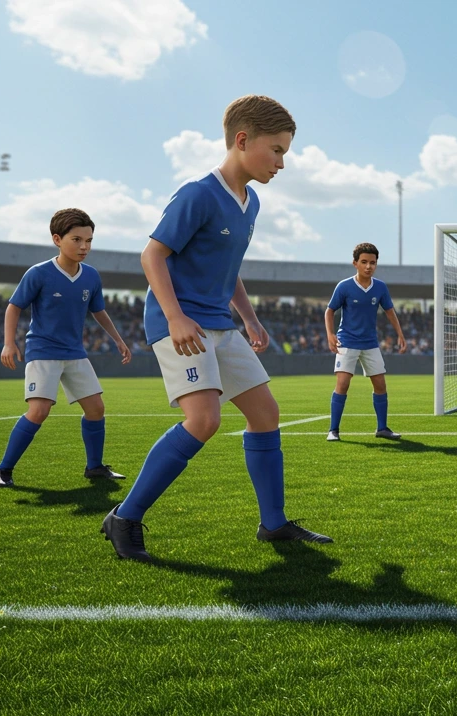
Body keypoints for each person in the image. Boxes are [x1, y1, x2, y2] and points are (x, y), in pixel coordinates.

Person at [102, 95, 332, 563]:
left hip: (220, 323)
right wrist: (175, 317)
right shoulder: (198, 194)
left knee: (266, 414)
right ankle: (124, 517)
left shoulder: (251, 202)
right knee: (204, 420)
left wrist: (248, 317)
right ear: (242, 140)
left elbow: (229, 268)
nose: (282, 163)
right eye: (277, 150)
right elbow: (152, 255)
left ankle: (273, 524)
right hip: (181, 323)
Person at [0, 208, 131, 488]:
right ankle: (3, 470)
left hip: (75, 352)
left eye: (89, 240)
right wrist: (9, 343)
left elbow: (99, 311)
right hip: (43, 351)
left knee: (96, 409)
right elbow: (14, 307)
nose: (84, 247)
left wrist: (118, 339)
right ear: (57, 239)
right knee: (39, 411)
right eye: (76, 240)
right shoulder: (39, 273)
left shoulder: (91, 276)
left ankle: (94, 467)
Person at [325, 242, 407, 442]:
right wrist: (330, 334)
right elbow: (329, 311)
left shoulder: (380, 287)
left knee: (380, 385)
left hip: (370, 343)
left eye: (372, 262)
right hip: (347, 342)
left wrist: (400, 334)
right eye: (364, 262)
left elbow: (390, 311)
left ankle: (382, 428)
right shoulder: (344, 286)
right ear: (355, 263)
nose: (368, 266)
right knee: (343, 384)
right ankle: (333, 430)